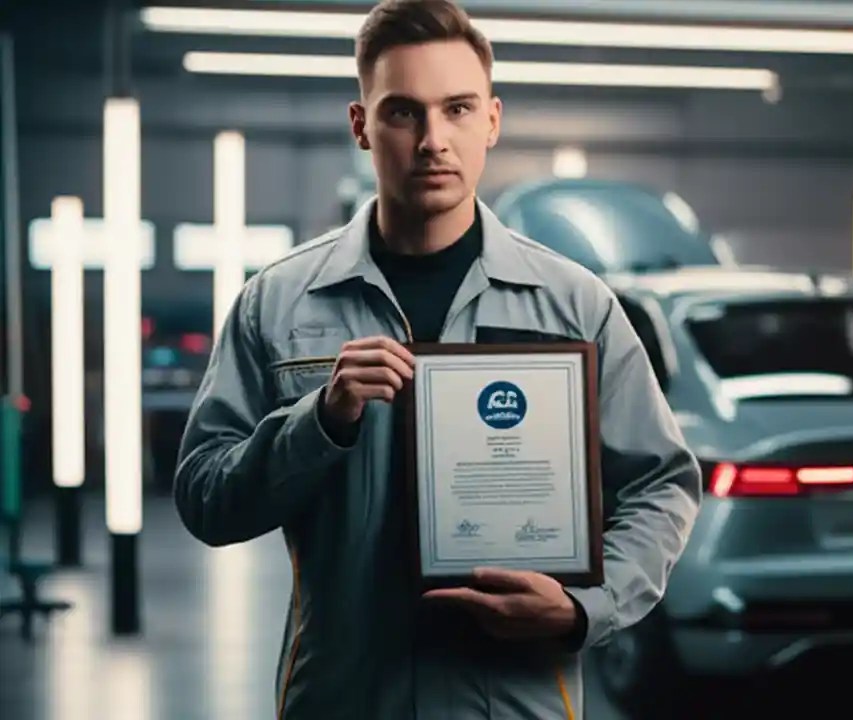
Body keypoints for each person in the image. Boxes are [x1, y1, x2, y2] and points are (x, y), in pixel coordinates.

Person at [172, 1, 702, 717]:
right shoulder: (278, 304)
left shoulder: (576, 306)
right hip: (344, 703)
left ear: (492, 120)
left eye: (457, 109)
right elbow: (205, 497)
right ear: (361, 126)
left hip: (512, 703)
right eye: (402, 112)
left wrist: (587, 607)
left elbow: (663, 485)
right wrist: (318, 422)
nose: (432, 141)